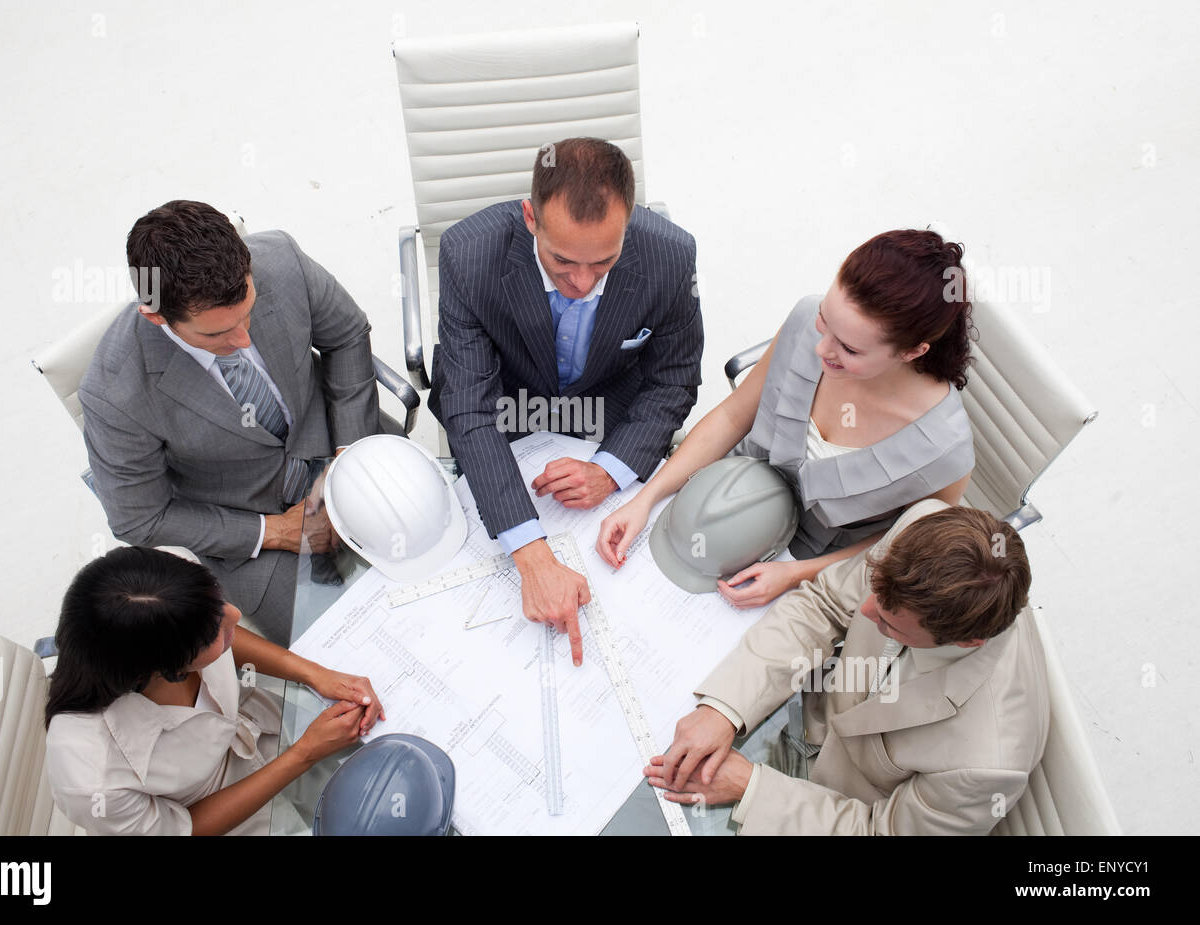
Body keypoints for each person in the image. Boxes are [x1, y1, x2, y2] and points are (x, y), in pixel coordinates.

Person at [430, 137, 704, 665]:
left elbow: (673, 380)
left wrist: (611, 468)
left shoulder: (671, 255)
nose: (581, 283)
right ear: (531, 217)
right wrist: (532, 557)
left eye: (603, 263)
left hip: (607, 416)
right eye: (562, 262)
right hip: (505, 408)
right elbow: (469, 406)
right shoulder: (469, 253)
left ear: (628, 224)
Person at [598, 229, 976, 607]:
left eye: (849, 349)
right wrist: (645, 501)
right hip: (722, 500)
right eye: (825, 322)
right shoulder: (804, 318)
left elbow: (903, 542)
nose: (821, 349)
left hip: (814, 568)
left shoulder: (945, 451)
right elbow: (733, 417)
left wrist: (795, 576)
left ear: (912, 352)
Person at [644, 500, 1048, 835]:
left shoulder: (987, 763)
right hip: (793, 717)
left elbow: (880, 832)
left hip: (826, 807)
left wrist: (751, 788)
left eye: (890, 623)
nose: (865, 610)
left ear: (965, 641)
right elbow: (824, 604)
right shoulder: (922, 524)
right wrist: (724, 708)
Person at [81, 200, 382, 642]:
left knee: (462, 558)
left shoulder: (281, 259)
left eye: (247, 313)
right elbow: (140, 520)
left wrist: (348, 457)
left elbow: (348, 336)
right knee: (353, 648)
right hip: (250, 526)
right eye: (216, 333)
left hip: (337, 441)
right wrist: (278, 531)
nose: (242, 340)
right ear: (155, 314)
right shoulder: (113, 392)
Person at [44, 546, 385, 836]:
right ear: (165, 669)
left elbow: (228, 634)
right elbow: (186, 829)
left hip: (259, 725)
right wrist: (304, 753)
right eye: (212, 634)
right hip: (220, 811)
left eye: (218, 600)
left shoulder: (171, 577)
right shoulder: (92, 780)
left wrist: (313, 674)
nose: (235, 614)